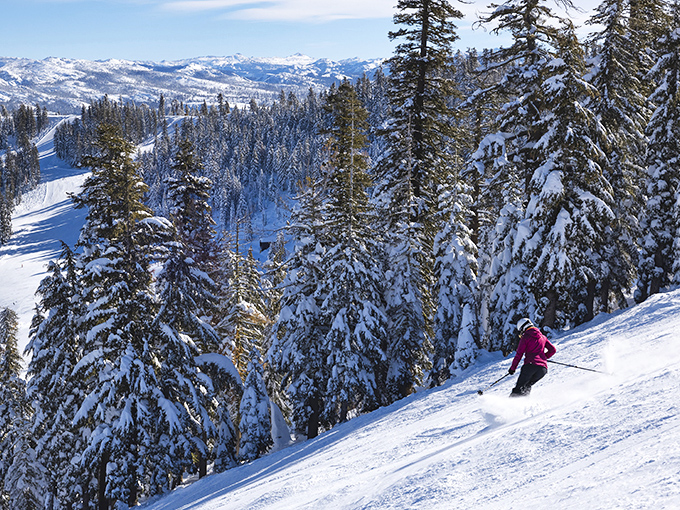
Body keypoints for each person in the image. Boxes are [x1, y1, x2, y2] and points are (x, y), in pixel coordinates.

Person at [508, 318, 556, 397]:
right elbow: (552, 350)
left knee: (519, 388)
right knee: (527, 386)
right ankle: (524, 404)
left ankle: (509, 405)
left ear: (523, 328)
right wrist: (543, 358)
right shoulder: (543, 337)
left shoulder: (525, 337)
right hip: (542, 369)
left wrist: (512, 368)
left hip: (530, 366)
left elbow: (519, 354)